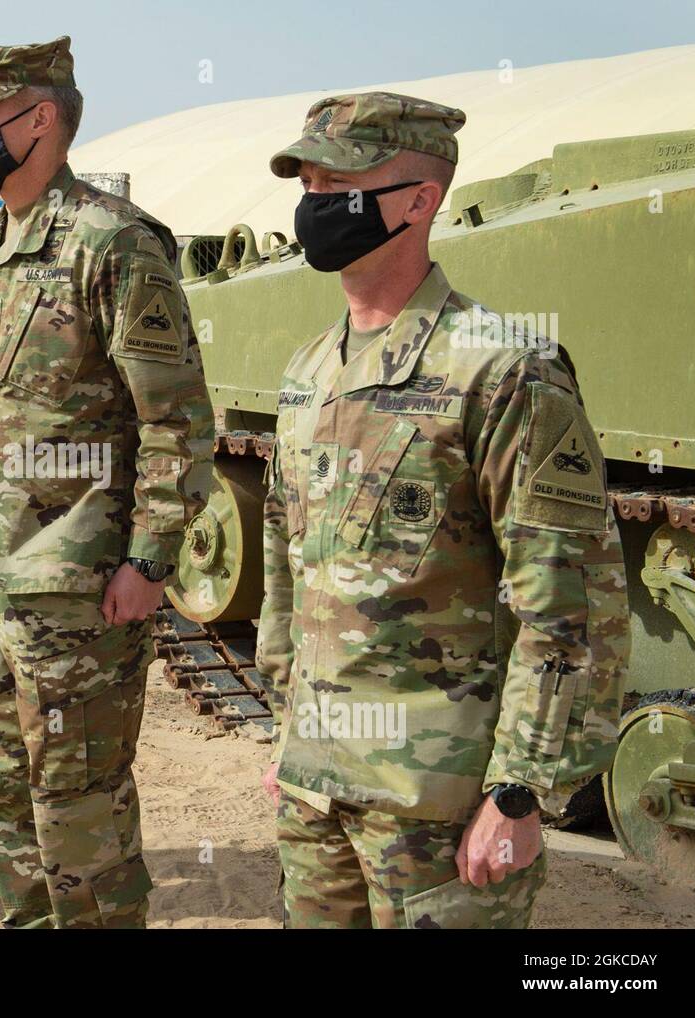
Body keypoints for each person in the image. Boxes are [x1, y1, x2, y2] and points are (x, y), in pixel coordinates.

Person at [256, 91, 630, 928]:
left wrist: (521, 790)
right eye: (309, 185)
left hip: (439, 805)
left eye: (341, 187)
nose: (317, 207)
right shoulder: (308, 371)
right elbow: (289, 567)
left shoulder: (505, 371)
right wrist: (289, 734)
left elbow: (571, 606)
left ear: (420, 201)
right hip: (315, 795)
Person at [0, 36, 214, 928]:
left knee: (79, 801)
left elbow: (176, 420)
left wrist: (150, 558)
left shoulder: (114, 242)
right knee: (6, 795)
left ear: (40, 118)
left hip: (79, 586)